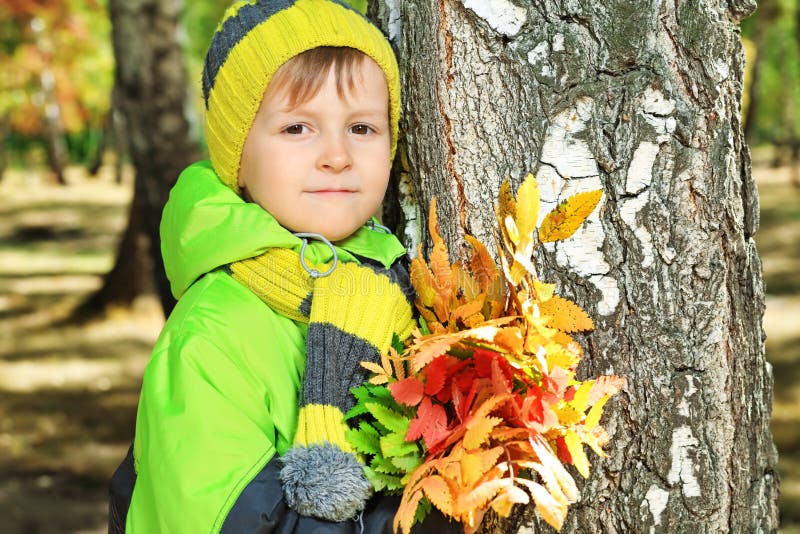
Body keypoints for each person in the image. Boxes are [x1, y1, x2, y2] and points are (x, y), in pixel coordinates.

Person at [108, 0, 459, 532]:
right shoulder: (212, 331)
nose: (337, 155)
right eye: (298, 128)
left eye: (362, 128)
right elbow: (220, 515)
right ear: (238, 159)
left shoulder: (390, 290)